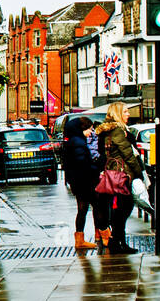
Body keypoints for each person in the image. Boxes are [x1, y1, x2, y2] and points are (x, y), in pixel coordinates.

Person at [95, 102, 145, 255]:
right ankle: (118, 242)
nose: (128, 114)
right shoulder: (117, 130)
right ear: (117, 113)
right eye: (125, 112)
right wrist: (139, 173)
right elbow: (128, 154)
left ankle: (118, 240)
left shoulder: (109, 130)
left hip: (114, 174)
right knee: (124, 208)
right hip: (121, 175)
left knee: (120, 209)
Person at [62, 117, 100, 252]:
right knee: (97, 206)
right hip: (85, 182)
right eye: (89, 129)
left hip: (78, 182)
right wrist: (97, 168)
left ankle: (81, 238)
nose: (91, 131)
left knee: (83, 209)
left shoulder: (73, 141)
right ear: (82, 129)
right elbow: (83, 164)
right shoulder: (78, 143)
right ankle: (102, 234)